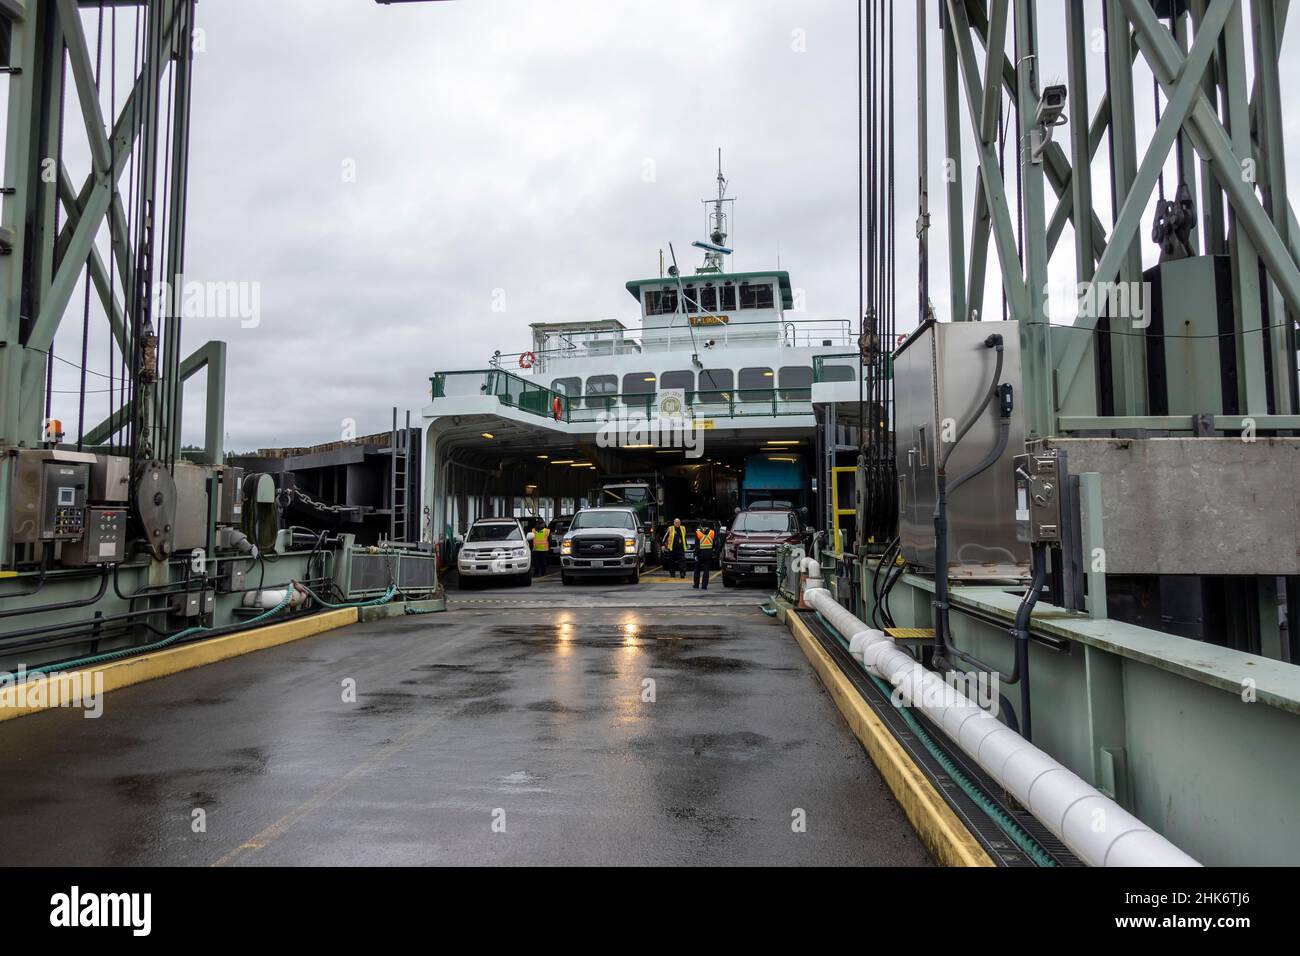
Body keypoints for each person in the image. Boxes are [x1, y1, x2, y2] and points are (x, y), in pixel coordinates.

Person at [693, 523, 715, 589]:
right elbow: (715, 544)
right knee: (706, 571)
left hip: (700, 554)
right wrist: (713, 552)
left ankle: (696, 585)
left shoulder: (698, 533)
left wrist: (695, 554)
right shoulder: (712, 533)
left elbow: (696, 546)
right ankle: (704, 586)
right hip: (708, 555)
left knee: (697, 569)